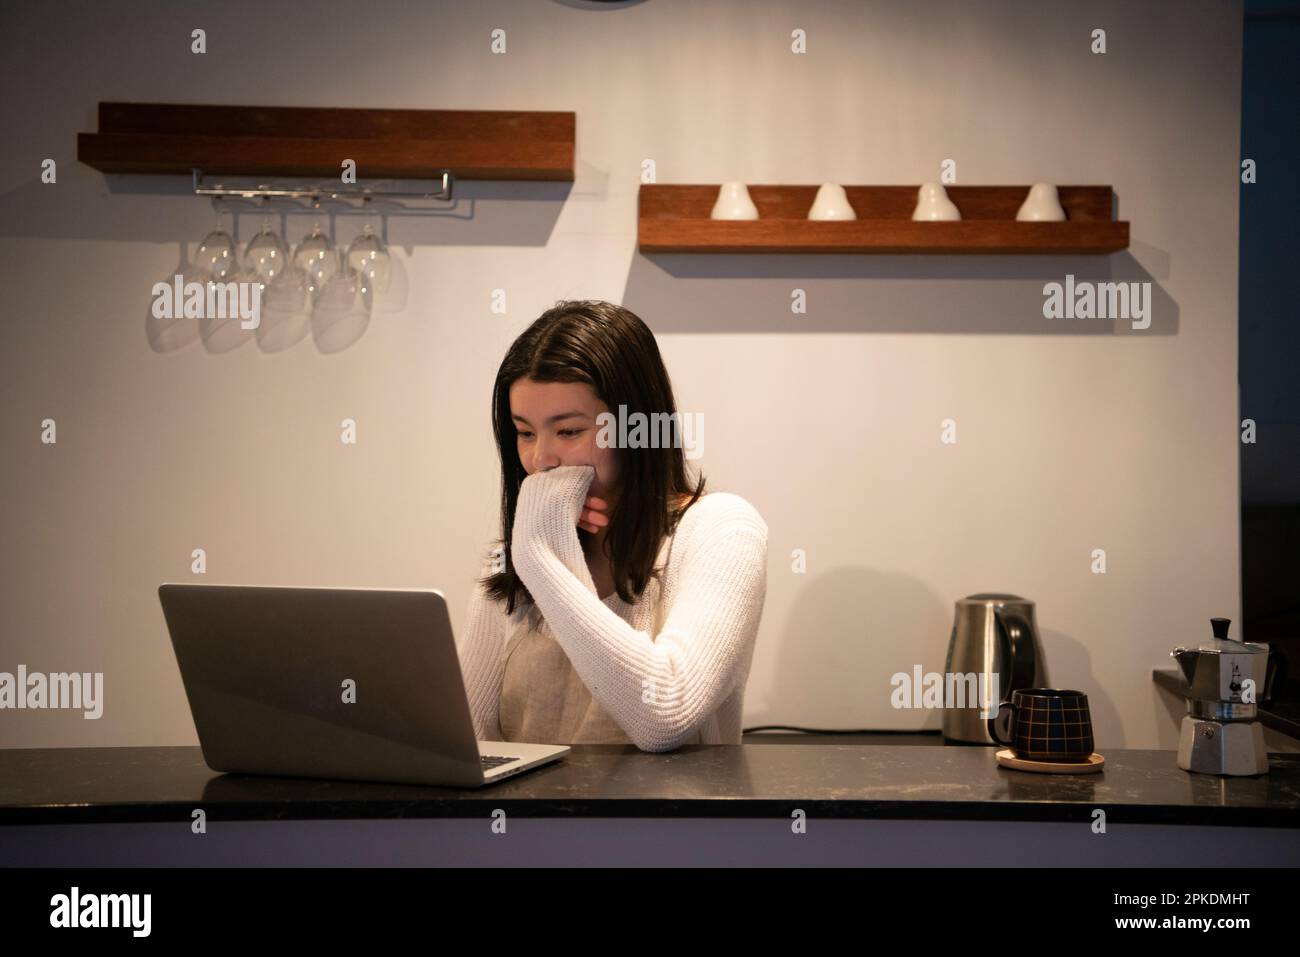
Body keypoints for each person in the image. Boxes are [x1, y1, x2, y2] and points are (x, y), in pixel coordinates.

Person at [457, 300, 768, 752]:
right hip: (527, 821)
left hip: (666, 820)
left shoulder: (721, 530)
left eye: (568, 432)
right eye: (525, 432)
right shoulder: (523, 545)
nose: (541, 460)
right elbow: (470, 737)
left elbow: (665, 716)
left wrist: (540, 560)